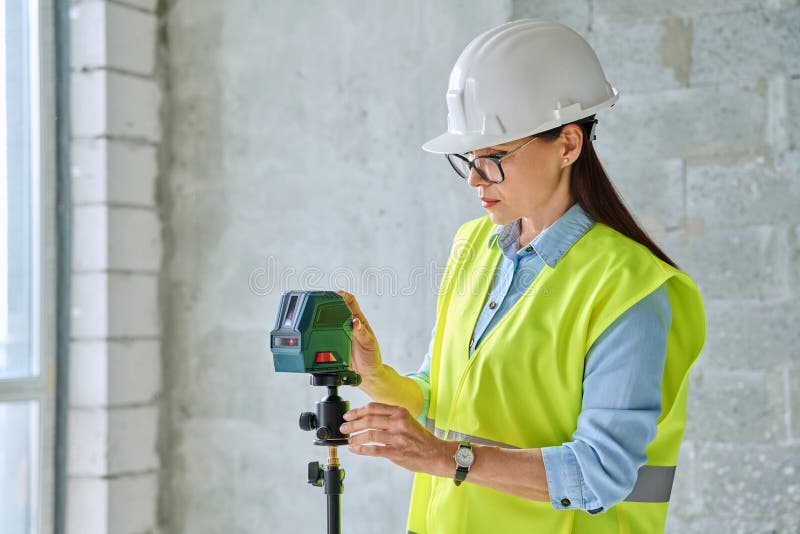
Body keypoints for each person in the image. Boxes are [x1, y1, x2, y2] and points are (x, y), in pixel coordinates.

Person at [336, 18, 705, 534]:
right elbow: (442, 401)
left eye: (494, 157)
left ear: (568, 145)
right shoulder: (474, 246)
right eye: (468, 158)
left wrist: (447, 458)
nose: (473, 177)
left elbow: (601, 472)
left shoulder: (630, 288)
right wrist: (376, 376)